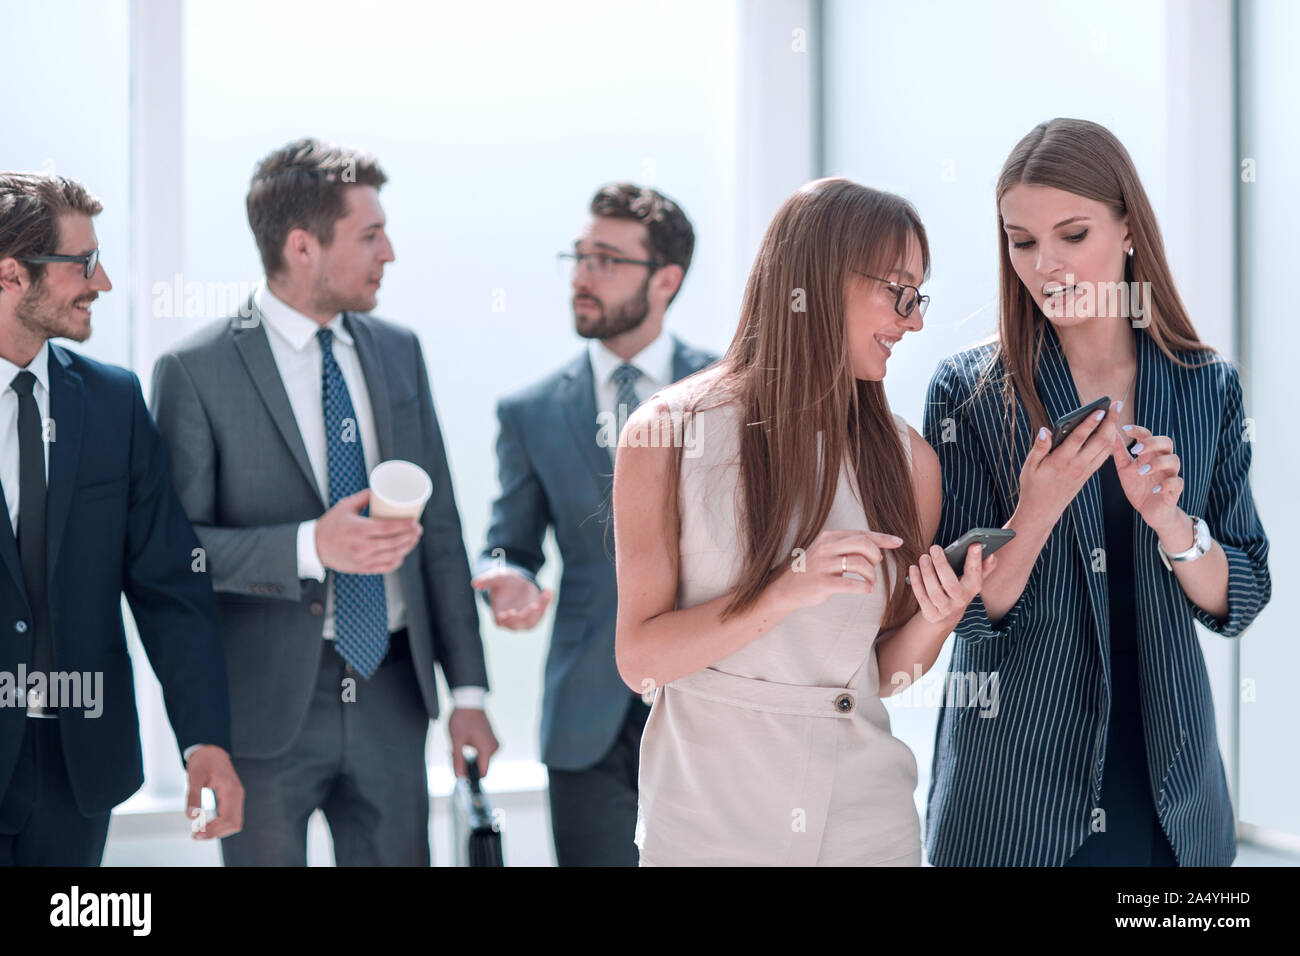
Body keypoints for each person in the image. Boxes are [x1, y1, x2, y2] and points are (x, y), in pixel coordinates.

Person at [614, 177, 996, 866]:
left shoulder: (910, 462)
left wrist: (940, 617)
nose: (913, 323)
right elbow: (641, 664)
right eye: (899, 292)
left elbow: (879, 676)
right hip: (705, 822)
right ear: (820, 280)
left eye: (919, 298)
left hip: (867, 823)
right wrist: (784, 589)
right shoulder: (666, 434)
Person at [923, 118, 1271, 867]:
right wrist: (1034, 511)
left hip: (1169, 798)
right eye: (1021, 241)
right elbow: (965, 615)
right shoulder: (969, 394)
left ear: (1128, 231)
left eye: (1072, 234)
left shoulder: (1206, 387)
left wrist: (1175, 527)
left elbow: (1242, 594)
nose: (1046, 264)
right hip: (1015, 799)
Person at [151, 138, 497, 866]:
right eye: (370, 235)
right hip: (266, 704)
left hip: (393, 688)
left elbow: (443, 531)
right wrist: (310, 546)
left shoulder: (399, 351)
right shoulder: (195, 370)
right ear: (303, 246)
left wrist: (469, 690)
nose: (390, 253)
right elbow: (172, 553)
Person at [0, 172, 242, 865]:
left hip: (79, 771)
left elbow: (170, 584)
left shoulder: (113, 402)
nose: (101, 282)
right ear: (12, 274)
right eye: (82, 264)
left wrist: (204, 741)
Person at [471, 183, 716, 866]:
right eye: (577, 257)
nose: (581, 276)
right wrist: (506, 575)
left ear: (665, 279)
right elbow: (508, 539)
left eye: (605, 259)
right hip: (586, 715)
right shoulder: (531, 410)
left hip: (713, 698)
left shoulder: (732, 388)